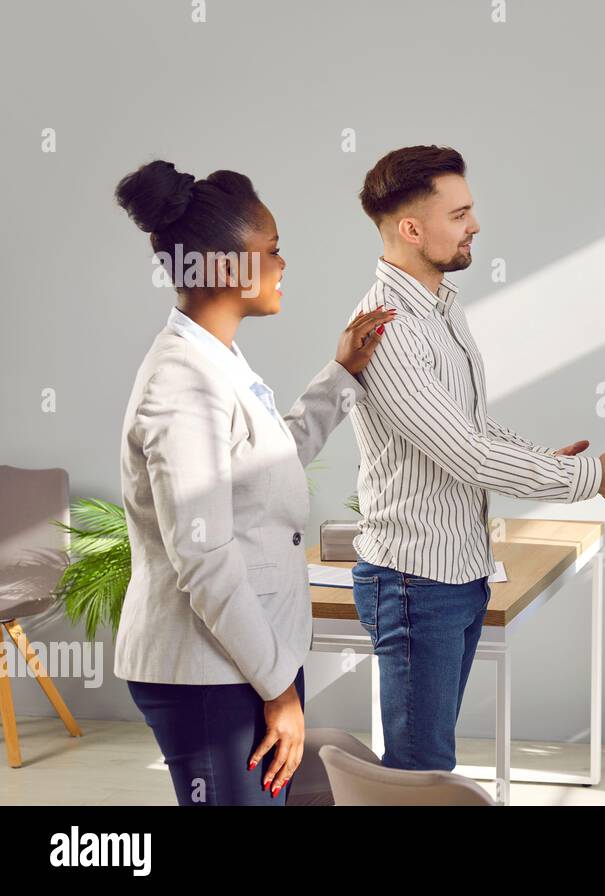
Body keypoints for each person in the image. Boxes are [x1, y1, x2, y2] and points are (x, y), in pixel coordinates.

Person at [347, 145, 605, 773]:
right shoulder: (388, 329)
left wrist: (543, 459)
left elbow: (471, 429)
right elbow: (466, 455)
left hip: (457, 572)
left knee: (427, 763)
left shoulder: (441, 309)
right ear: (412, 229)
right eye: (460, 214)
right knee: (419, 769)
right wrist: (593, 476)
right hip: (413, 580)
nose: (475, 225)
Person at [114, 160, 393, 805]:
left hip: (242, 661)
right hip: (210, 674)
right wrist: (278, 690)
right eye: (271, 250)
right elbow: (204, 557)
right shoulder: (182, 380)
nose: (283, 262)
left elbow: (268, 464)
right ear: (221, 268)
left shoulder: (216, 359)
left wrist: (342, 374)